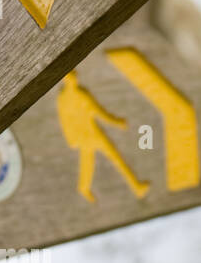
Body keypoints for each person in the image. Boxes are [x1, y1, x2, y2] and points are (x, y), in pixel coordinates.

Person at [56, 71, 150, 202]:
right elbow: (97, 112)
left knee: (91, 162)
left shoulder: (66, 97)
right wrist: (117, 122)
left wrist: (71, 139)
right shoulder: (76, 96)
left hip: (87, 134)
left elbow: (70, 119)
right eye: (72, 78)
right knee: (114, 157)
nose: (74, 81)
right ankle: (135, 186)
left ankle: (85, 188)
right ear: (67, 81)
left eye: (74, 78)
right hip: (90, 134)